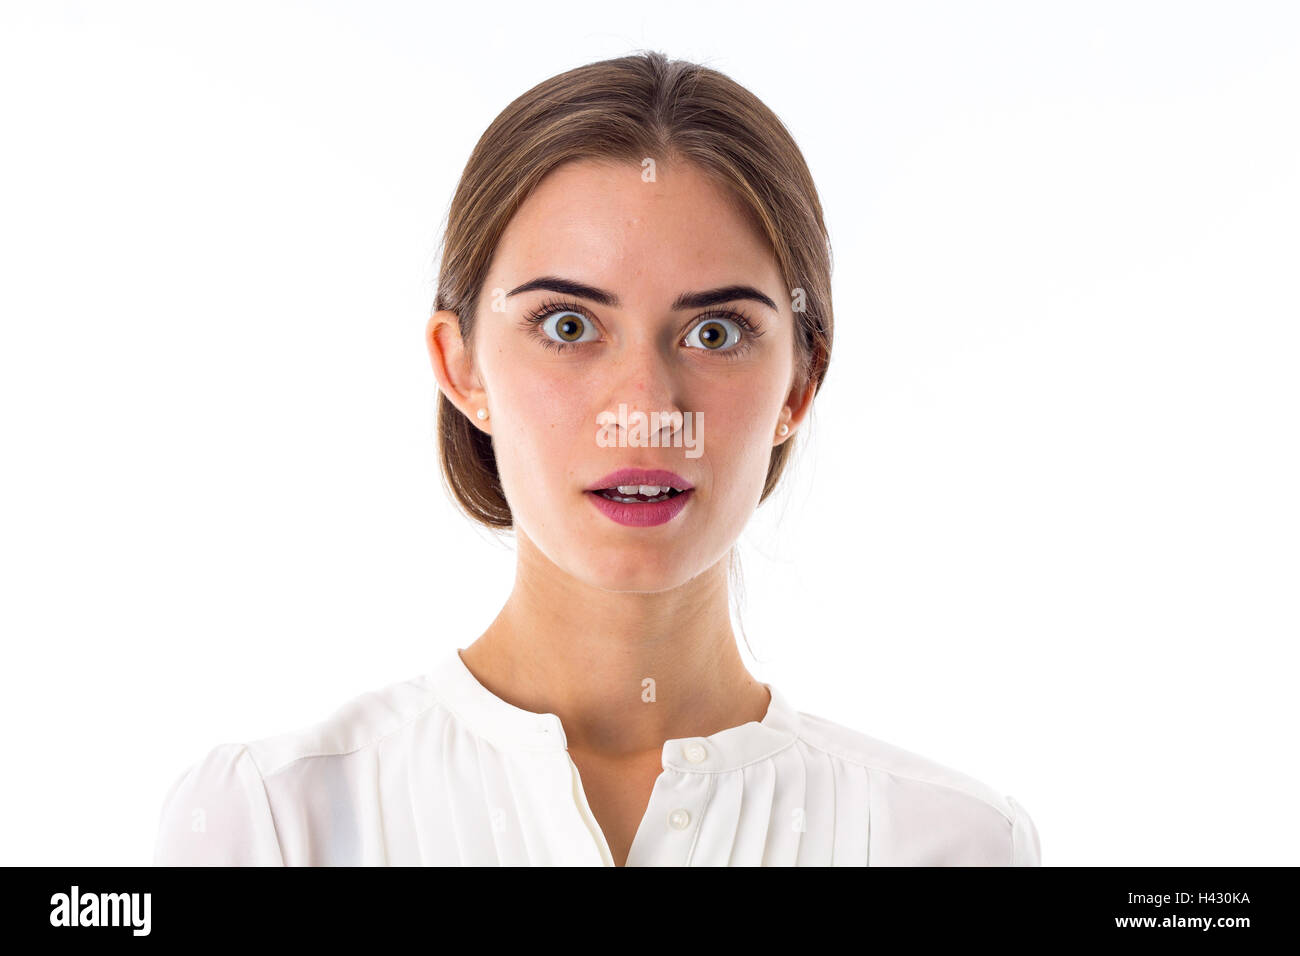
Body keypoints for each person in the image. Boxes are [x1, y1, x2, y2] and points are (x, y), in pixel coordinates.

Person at [153, 50, 1041, 867]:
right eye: (569, 326)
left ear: (800, 385)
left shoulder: (951, 846)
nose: (645, 413)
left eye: (715, 332)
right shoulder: (273, 824)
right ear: (463, 367)